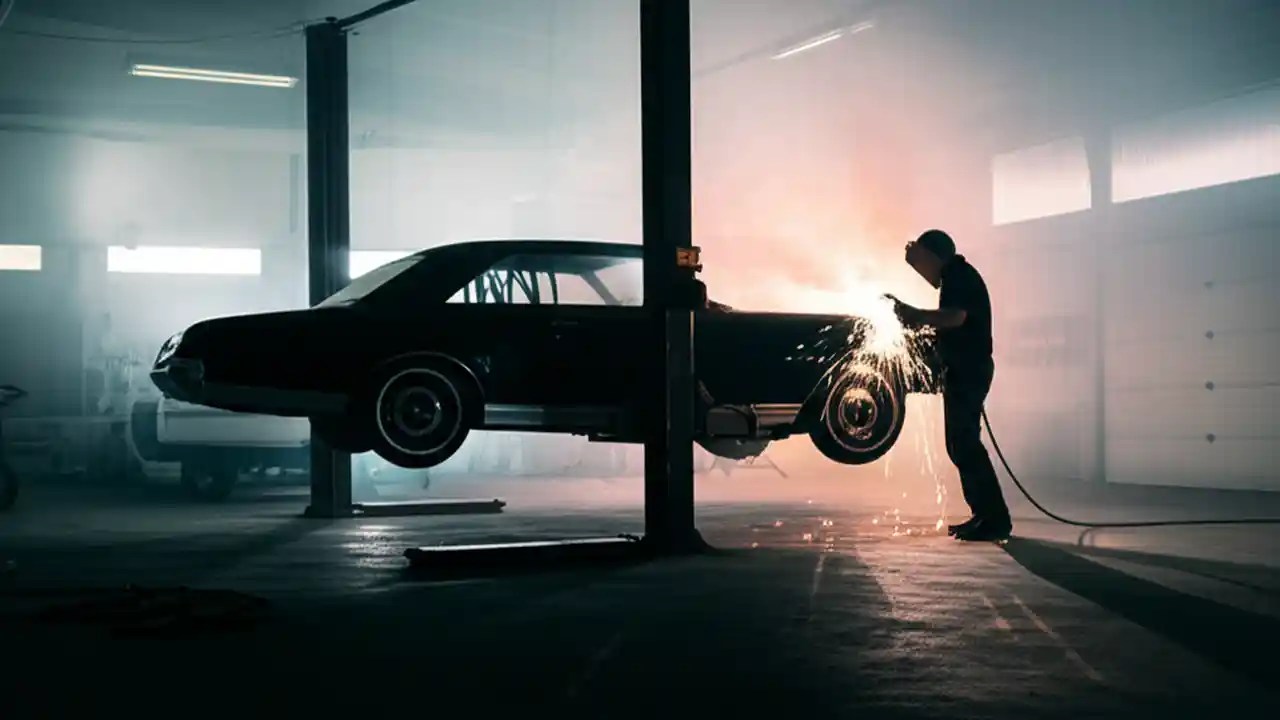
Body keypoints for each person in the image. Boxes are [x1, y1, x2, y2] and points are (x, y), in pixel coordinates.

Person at [887, 229, 1012, 541]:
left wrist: (916, 315)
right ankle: (983, 514)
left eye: (921, 265)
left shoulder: (958, 276)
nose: (923, 274)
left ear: (932, 255)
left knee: (965, 444)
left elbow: (955, 317)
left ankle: (995, 519)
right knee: (959, 445)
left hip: (970, 370)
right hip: (963, 370)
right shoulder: (957, 276)